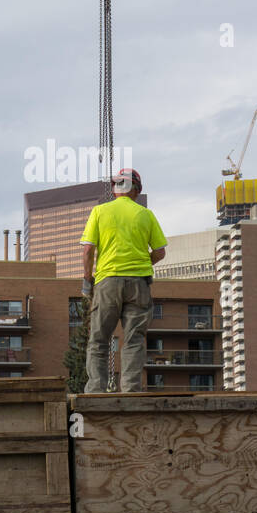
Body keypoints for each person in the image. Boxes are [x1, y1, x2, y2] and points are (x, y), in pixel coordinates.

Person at [80, 168, 167, 392]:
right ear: (136, 190)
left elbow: (88, 250)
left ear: (115, 189)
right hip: (139, 284)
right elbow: (159, 252)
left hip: (107, 282)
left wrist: (88, 280)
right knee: (134, 340)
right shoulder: (145, 215)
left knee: (99, 340)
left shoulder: (99, 212)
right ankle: (130, 390)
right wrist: (141, 263)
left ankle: (96, 392)